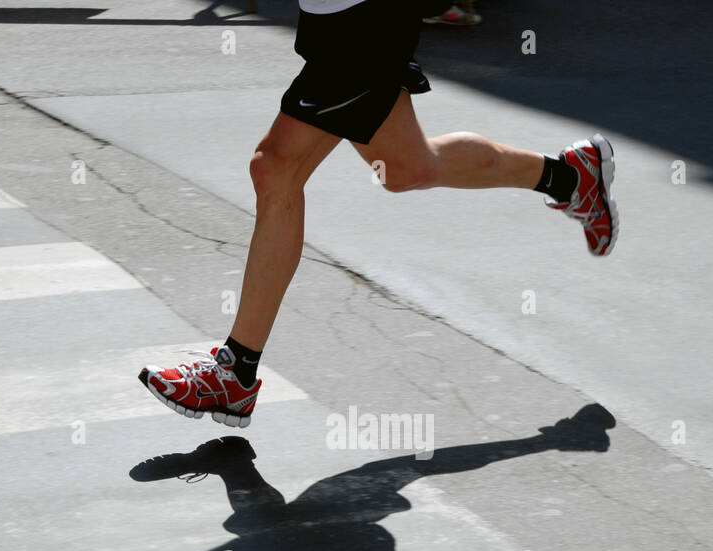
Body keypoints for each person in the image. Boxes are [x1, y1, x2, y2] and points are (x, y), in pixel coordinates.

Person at [139, 0, 617, 428]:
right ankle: (572, 178)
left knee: (275, 169)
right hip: (338, 20)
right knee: (407, 169)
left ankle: (235, 372)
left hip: (366, 24)